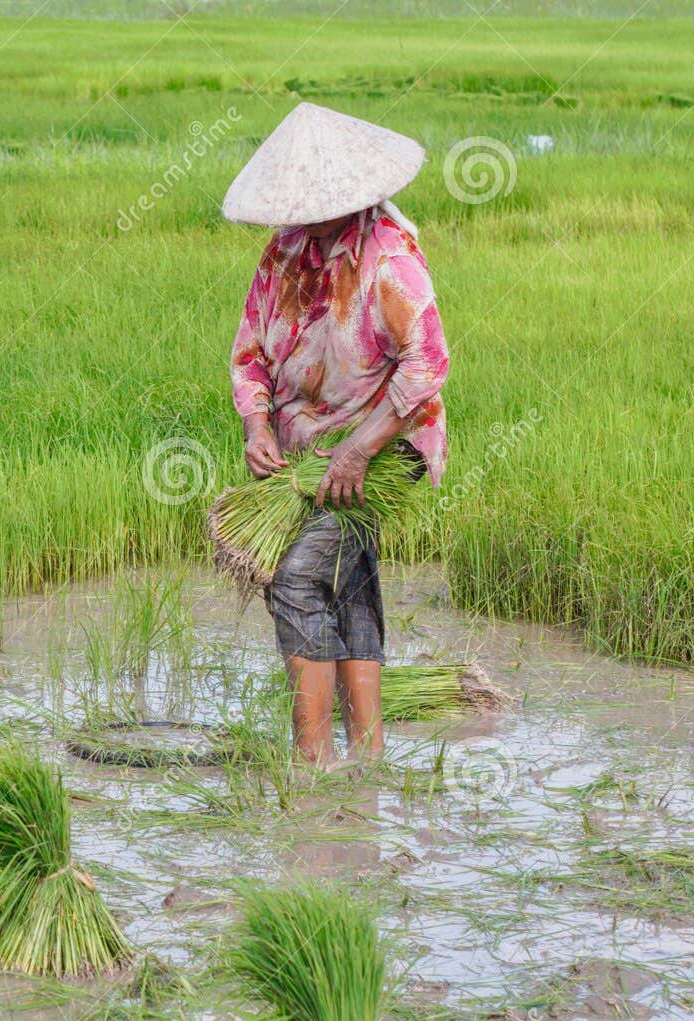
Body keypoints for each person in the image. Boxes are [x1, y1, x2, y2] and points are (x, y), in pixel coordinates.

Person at [223, 104, 449, 767]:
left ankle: (312, 762)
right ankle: (367, 756)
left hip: (387, 443)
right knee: (347, 580)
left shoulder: (389, 254)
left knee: (295, 580)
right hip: (310, 453)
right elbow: (249, 354)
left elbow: (428, 362)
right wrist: (257, 424)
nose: (302, 213)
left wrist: (359, 448)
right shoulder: (285, 249)